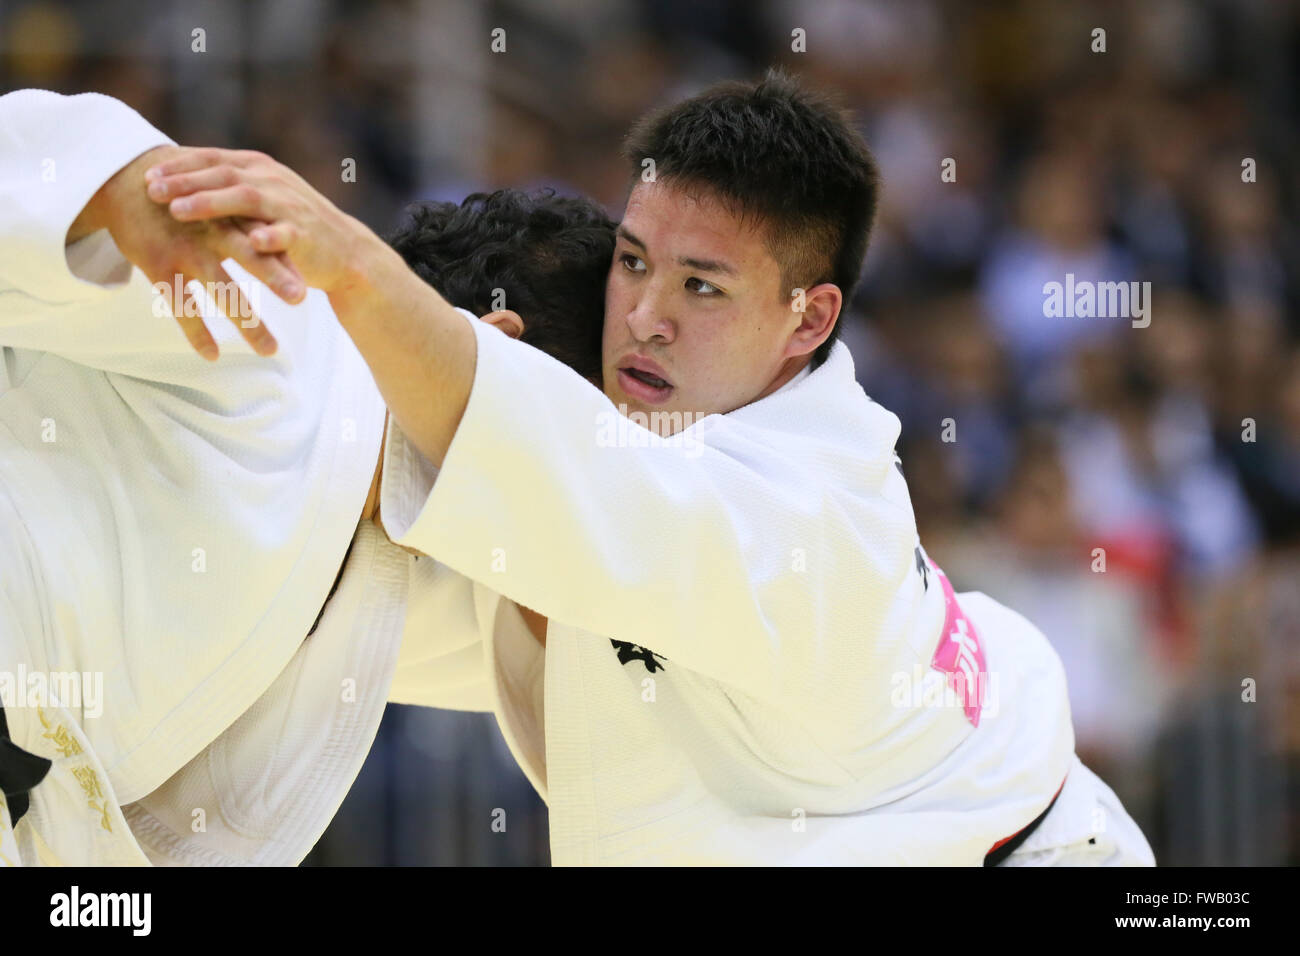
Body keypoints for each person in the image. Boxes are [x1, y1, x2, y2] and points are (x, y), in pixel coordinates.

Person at [149, 69, 1155, 864]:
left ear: (806, 318)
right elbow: (346, 614)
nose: (644, 315)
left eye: (701, 286)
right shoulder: (640, 471)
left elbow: (553, 465)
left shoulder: (798, 516)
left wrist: (348, 261)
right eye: (632, 260)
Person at [0, 86, 613, 865]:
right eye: (586, 447)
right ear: (496, 350)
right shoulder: (274, 324)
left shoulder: (406, 575)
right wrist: (115, 182)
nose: (583, 497)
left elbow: (612, 679)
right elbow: (29, 155)